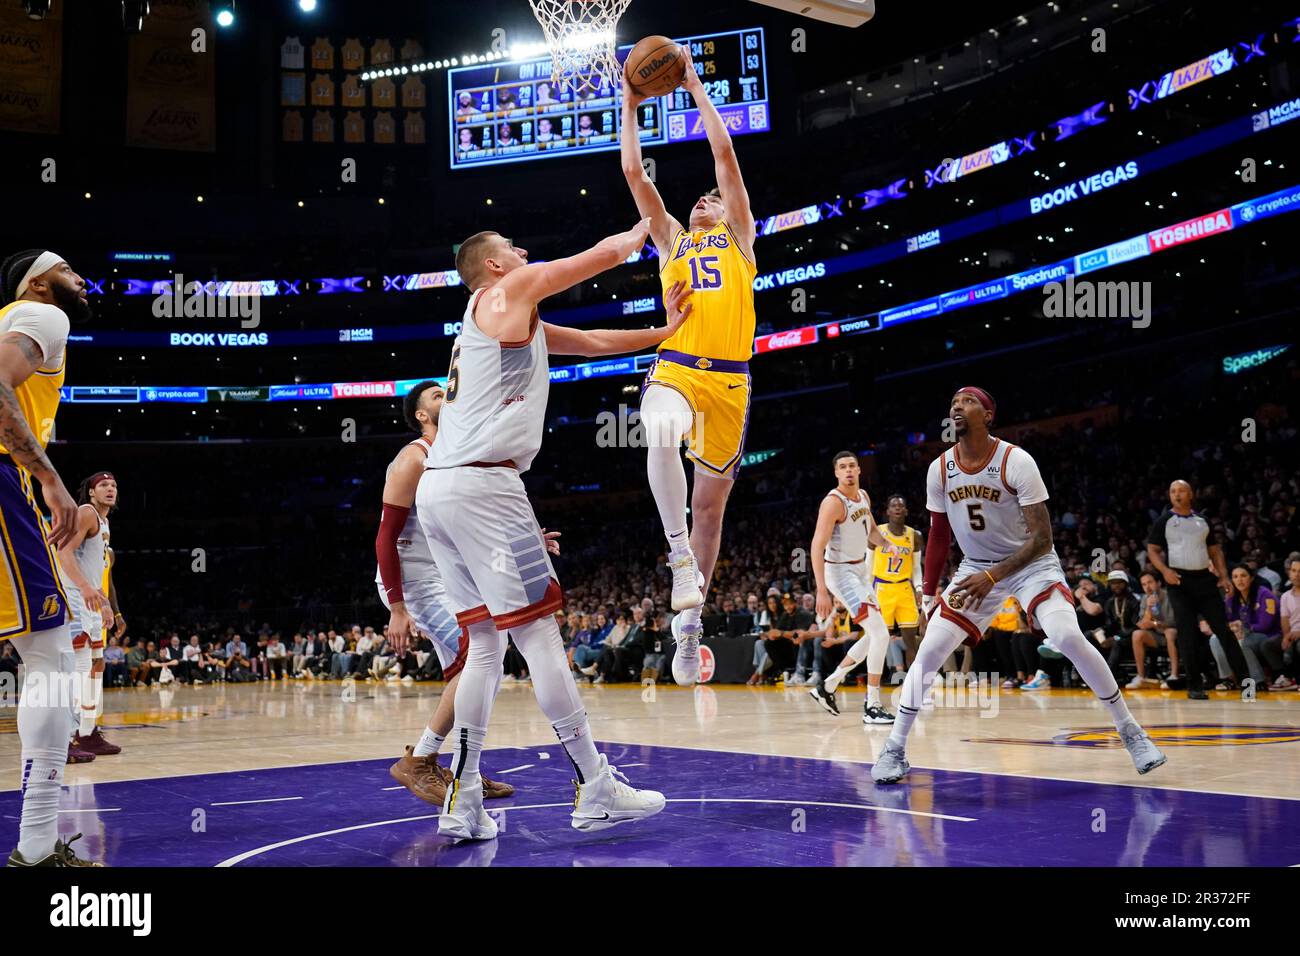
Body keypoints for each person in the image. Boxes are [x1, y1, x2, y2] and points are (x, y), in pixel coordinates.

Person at [415, 221, 688, 840]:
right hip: (485, 485)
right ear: (492, 267)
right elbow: (591, 258)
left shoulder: (507, 320)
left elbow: (591, 340)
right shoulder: (503, 294)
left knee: (485, 647)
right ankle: (594, 786)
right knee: (539, 636)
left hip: (445, 491)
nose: (524, 249)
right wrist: (644, 224)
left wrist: (666, 333)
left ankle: (462, 799)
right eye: (514, 246)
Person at [872, 386, 1165, 784]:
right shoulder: (939, 468)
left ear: (989, 414)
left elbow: (1042, 539)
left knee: (1066, 634)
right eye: (954, 403)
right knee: (928, 653)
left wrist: (993, 576)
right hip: (976, 567)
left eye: (968, 401)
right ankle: (894, 748)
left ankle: (1132, 733)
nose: (958, 407)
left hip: (1031, 564)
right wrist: (928, 593)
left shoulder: (1016, 460)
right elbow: (938, 534)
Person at [620, 45, 758, 688]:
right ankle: (678, 558)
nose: (705, 199)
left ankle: (690, 629)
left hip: (732, 379)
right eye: (699, 198)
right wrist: (630, 103)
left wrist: (696, 83)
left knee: (712, 511)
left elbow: (723, 156)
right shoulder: (673, 239)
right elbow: (636, 178)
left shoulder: (739, 241)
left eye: (713, 198)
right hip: (676, 363)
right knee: (659, 429)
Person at [0, 249, 103, 867]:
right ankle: (37, 844)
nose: (80, 275)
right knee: (50, 654)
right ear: (39, 281)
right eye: (67, 267)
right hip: (4, 477)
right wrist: (48, 475)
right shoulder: (42, 315)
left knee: (51, 653)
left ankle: (37, 841)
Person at [376, 380, 515, 805]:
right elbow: (385, 538)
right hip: (414, 583)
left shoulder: (458, 454)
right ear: (421, 415)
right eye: (437, 396)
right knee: (480, 658)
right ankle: (418, 761)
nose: (447, 398)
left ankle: (463, 770)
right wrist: (398, 609)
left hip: (451, 578)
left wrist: (524, 538)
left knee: (484, 672)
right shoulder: (411, 459)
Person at [806, 452, 903, 721]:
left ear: (859, 470)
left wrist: (888, 544)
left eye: (852, 466)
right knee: (881, 634)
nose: (848, 471)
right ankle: (872, 705)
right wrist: (821, 589)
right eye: (842, 468)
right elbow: (816, 546)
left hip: (860, 570)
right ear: (836, 473)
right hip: (840, 573)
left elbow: (871, 530)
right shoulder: (833, 503)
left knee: (874, 635)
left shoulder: (863, 496)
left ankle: (828, 686)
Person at [1146, 480, 1250, 699]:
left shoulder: (1202, 520)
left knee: (1223, 630)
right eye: (1172, 491)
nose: (1176, 494)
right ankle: (1194, 686)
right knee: (1187, 634)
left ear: (1190, 494)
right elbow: (1153, 550)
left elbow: (1215, 551)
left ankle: (1246, 682)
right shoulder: (1164, 520)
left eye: (1181, 490)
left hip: (1205, 579)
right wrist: (1165, 571)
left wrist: (1223, 576)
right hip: (1178, 582)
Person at [56, 471, 119, 761]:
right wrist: (84, 589)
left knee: (96, 667)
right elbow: (63, 552)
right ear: (92, 492)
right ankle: (64, 740)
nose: (110, 489)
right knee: (79, 669)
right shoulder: (86, 513)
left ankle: (87, 733)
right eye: (103, 485)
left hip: (91, 603)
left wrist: (106, 603)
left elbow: (96, 572)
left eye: (114, 485)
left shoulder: (104, 522)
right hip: (74, 601)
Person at [874, 495, 925, 668]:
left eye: (900, 506)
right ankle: (873, 688)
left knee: (910, 641)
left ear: (906, 511)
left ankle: (914, 685)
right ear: (887, 511)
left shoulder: (915, 536)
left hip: (904, 589)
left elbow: (916, 568)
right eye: (893, 506)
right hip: (882, 589)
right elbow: (867, 565)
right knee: (878, 640)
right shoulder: (877, 532)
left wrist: (918, 587)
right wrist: (866, 591)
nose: (897, 508)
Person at [1219, 564, 1282, 689]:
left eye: (1243, 576)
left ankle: (1258, 681)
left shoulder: (1265, 594)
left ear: (1251, 578)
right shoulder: (1232, 597)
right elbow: (1225, 619)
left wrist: (1244, 627)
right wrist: (1231, 626)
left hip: (1268, 635)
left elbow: (1266, 624)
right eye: (1235, 577)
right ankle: (1230, 679)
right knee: (1216, 639)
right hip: (1245, 634)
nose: (1239, 580)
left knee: (1243, 640)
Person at [1130, 570, 1179, 688]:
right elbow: (1142, 624)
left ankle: (1174, 675)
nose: (1147, 587)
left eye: (1150, 582)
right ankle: (1141, 677)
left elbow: (1173, 622)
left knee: (1169, 632)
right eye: (1144, 584)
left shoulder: (1171, 596)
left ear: (1159, 583)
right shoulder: (1145, 599)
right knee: (1137, 634)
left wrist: (1155, 624)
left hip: (1176, 633)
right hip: (1158, 635)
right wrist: (1148, 607)